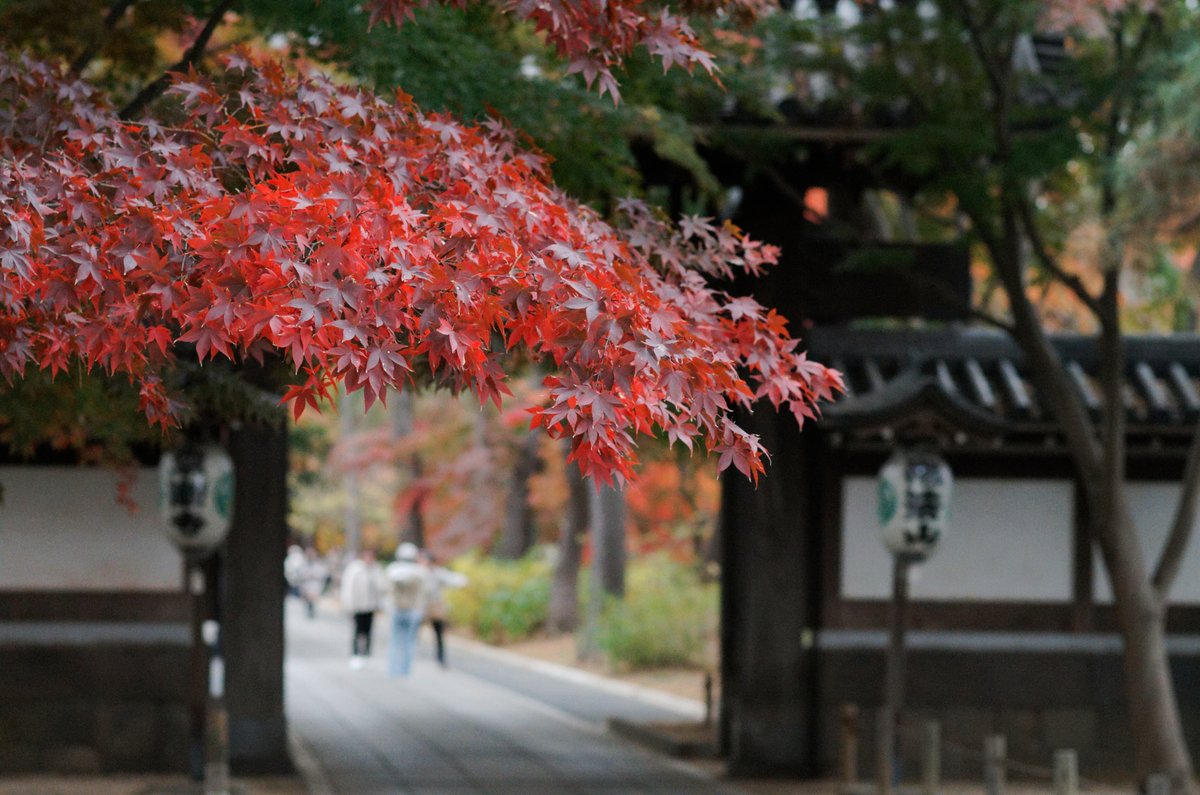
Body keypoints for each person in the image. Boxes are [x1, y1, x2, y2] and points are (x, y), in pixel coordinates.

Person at [385, 542, 427, 677]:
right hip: (413, 610)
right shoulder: (420, 571)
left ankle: (393, 669)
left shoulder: (393, 569)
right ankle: (405, 670)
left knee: (396, 641)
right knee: (409, 642)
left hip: (398, 609)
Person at [340, 548, 386, 669]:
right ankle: (355, 654)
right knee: (357, 630)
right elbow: (348, 588)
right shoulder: (355, 569)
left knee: (368, 630)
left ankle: (366, 654)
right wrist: (348, 604)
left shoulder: (376, 570)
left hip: (370, 605)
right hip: (358, 604)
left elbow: (381, 587)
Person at [421, 551, 468, 669]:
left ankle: (440, 658)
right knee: (412, 632)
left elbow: (453, 579)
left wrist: (463, 581)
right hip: (420, 606)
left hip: (435, 606)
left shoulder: (437, 573)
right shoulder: (419, 573)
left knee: (439, 633)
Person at [298, 547, 329, 619]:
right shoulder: (304, 564)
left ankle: (311, 611)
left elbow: (323, 574)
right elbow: (301, 574)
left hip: (314, 585)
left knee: (312, 599)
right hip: (307, 585)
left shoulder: (318, 564)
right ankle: (309, 610)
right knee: (308, 599)